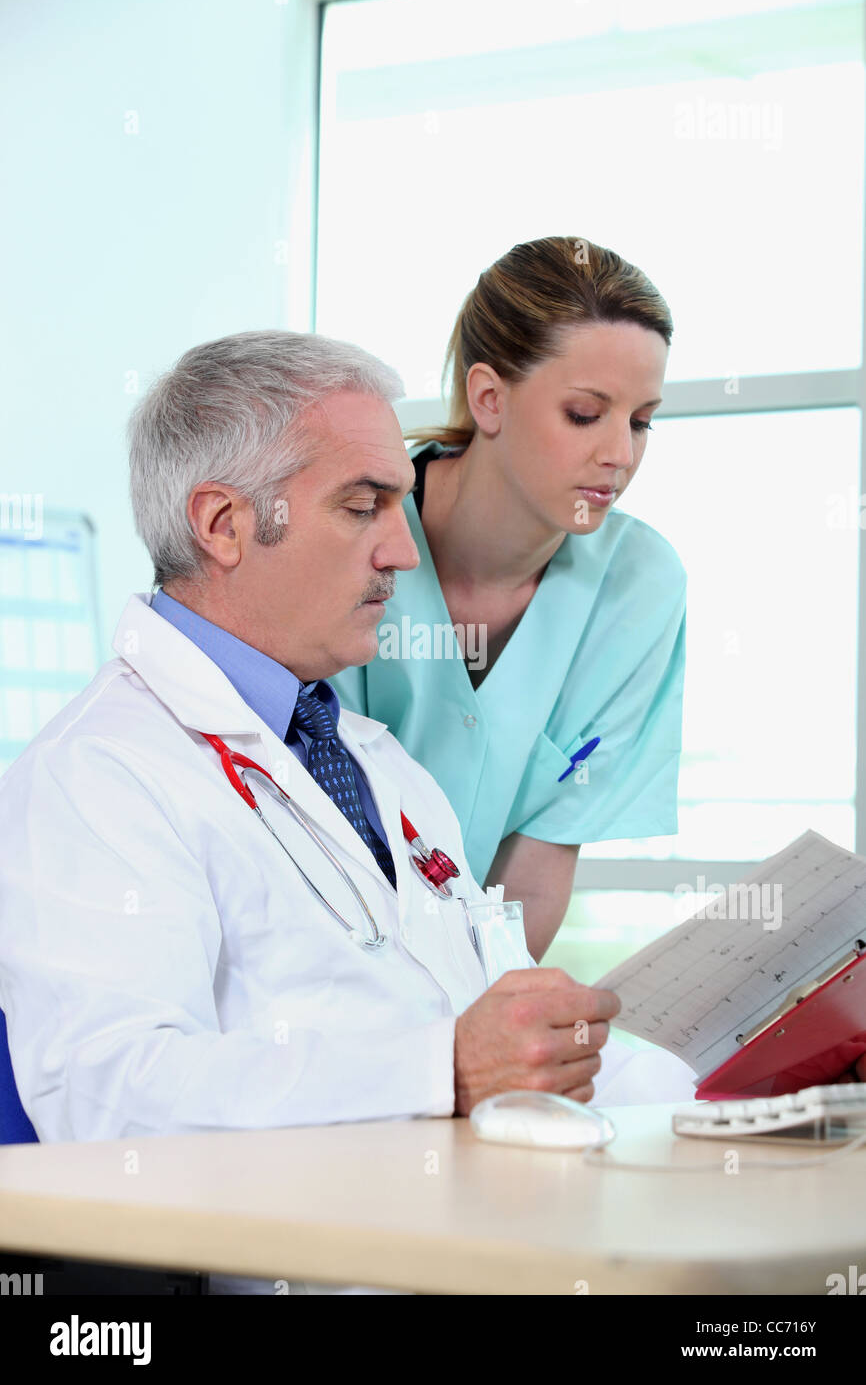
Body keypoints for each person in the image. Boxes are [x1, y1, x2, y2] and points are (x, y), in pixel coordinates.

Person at [2, 330, 686, 1297]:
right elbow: (110, 1105)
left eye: (400, 508)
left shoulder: (377, 762)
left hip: (492, 1247)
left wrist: (741, 1103)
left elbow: (512, 1048)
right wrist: (437, 1073)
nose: (403, 551)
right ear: (224, 524)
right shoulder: (98, 778)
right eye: (363, 506)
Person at [332, 236, 687, 963]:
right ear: (488, 398)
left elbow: (539, 864)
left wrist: (488, 1031)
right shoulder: (349, 536)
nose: (620, 453)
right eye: (587, 415)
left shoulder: (639, 587)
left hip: (468, 987)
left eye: (642, 420)